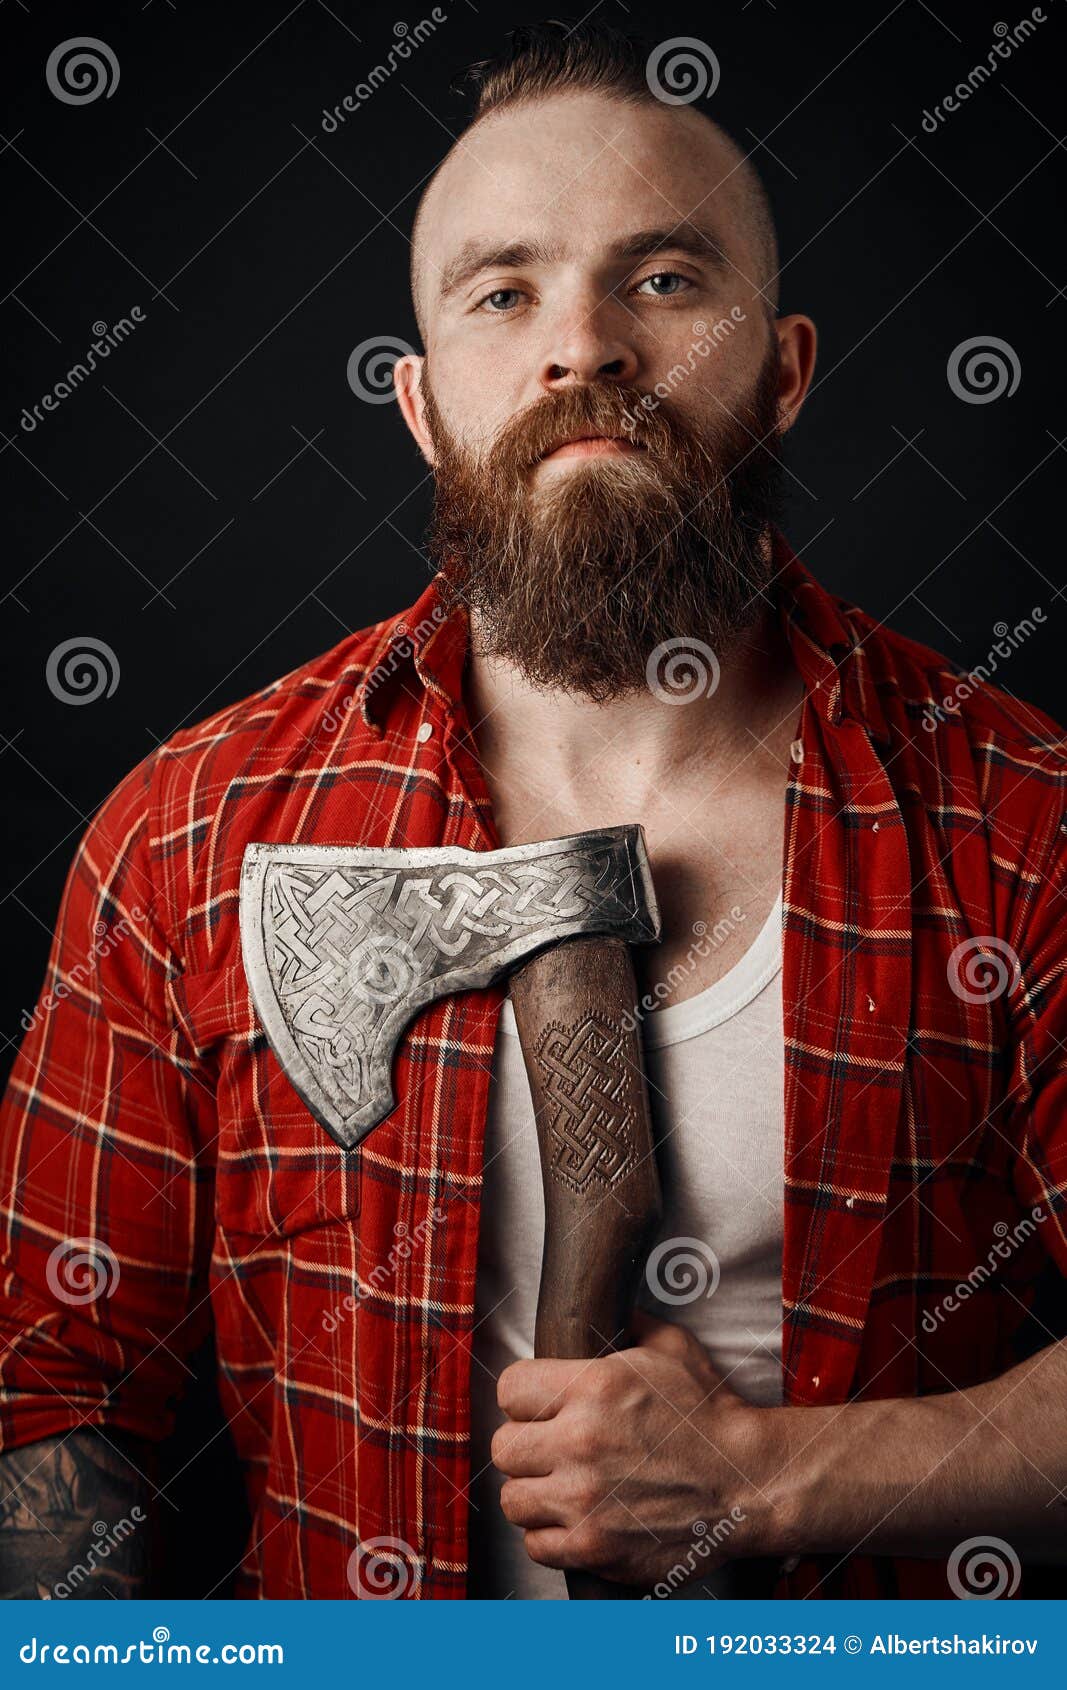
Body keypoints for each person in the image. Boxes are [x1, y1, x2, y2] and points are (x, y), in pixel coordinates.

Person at [1, 21, 1064, 1602]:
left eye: (665, 279)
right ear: (425, 407)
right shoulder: (194, 832)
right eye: (507, 292)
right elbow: (55, 1381)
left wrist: (762, 1478)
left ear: (783, 375)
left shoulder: (1020, 818)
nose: (586, 348)